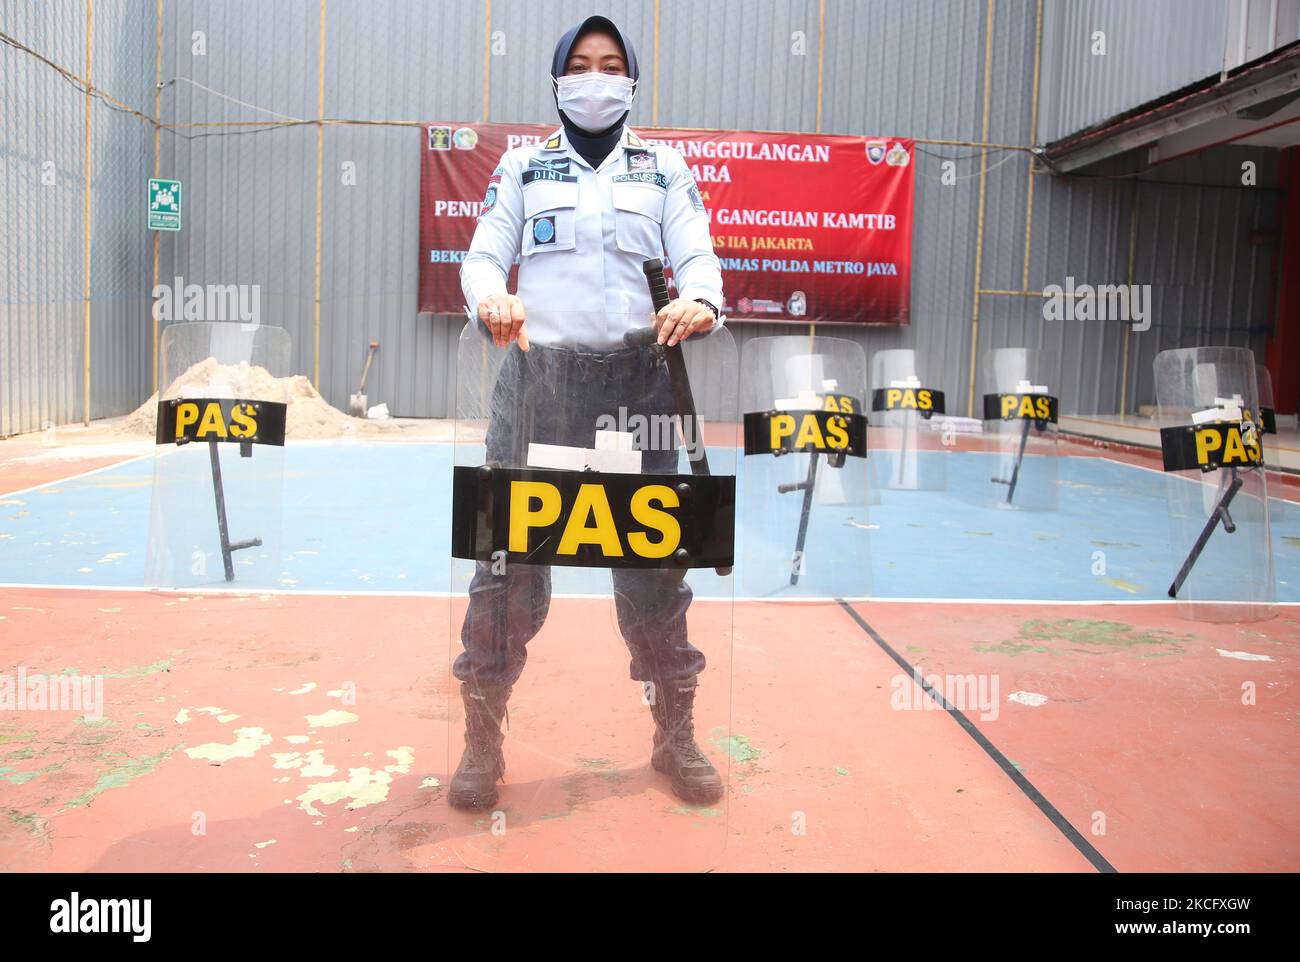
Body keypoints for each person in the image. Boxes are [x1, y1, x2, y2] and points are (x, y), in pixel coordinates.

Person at [453, 15, 725, 811]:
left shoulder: (665, 168)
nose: (596, 77)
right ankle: (481, 739)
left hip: (639, 393)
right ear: (558, 79)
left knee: (654, 572)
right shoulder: (523, 167)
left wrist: (702, 298)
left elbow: (698, 252)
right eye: (581, 64)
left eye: (611, 65)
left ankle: (675, 734)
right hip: (537, 389)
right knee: (503, 575)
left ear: (631, 81)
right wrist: (492, 298)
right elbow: (480, 254)